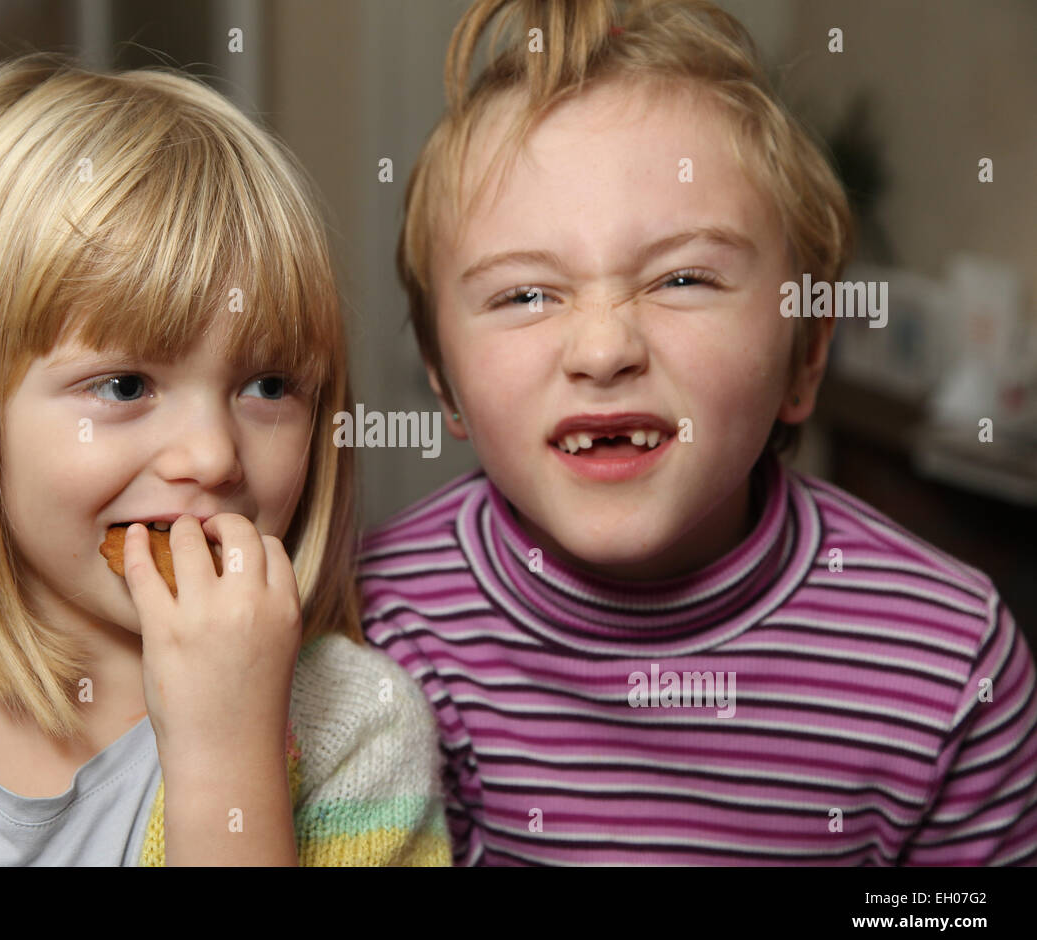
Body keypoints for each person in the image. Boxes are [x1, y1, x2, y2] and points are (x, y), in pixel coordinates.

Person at [358, 0, 1037, 865]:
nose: (604, 349)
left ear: (805, 354)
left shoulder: (949, 660)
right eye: (525, 294)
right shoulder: (379, 625)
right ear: (444, 379)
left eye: (683, 278)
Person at [0, 53, 450, 866]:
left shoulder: (356, 731)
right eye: (123, 385)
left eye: (269, 383)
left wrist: (228, 757)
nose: (214, 457)